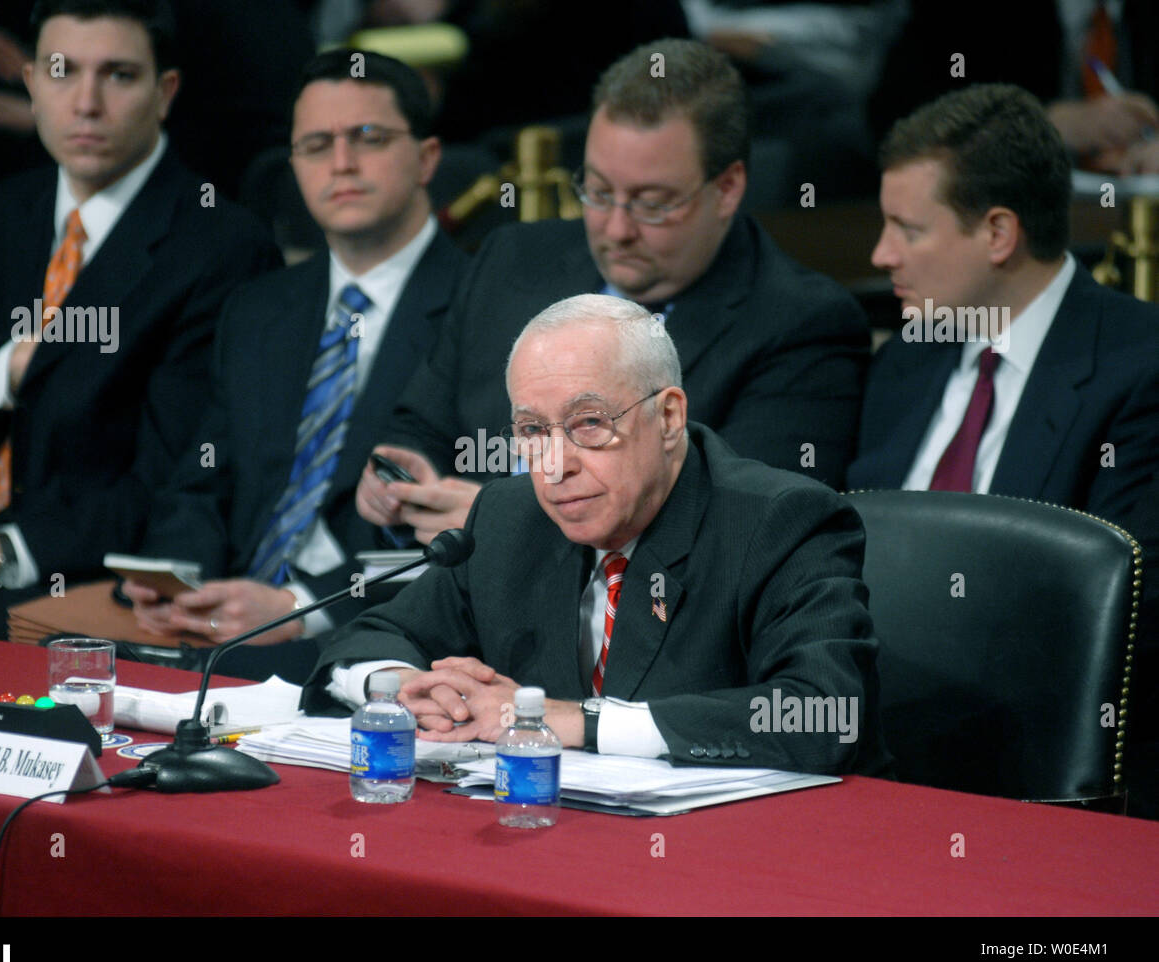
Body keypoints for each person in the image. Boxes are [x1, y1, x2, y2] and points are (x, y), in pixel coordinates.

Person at [305, 295, 891, 775]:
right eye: (532, 431)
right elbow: (375, 635)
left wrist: (570, 721)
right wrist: (407, 687)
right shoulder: (511, 516)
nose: (555, 465)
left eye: (589, 424)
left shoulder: (781, 521)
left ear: (668, 418)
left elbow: (822, 711)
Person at [0, 0, 282, 638]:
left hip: (87, 580)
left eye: (117, 75)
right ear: (31, 85)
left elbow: (183, 477)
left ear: (164, 92)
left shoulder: (221, 244)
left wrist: (8, 552)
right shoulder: (6, 213)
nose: (86, 102)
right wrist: (8, 367)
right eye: (61, 72)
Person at [355, 37, 870, 546]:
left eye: (653, 203)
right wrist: (403, 470)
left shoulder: (801, 324)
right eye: (599, 193)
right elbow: (422, 422)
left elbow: (744, 527)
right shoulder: (511, 261)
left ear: (728, 188)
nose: (616, 229)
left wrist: (502, 521)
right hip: (442, 591)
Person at [123, 50, 466, 656]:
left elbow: (471, 533)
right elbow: (202, 479)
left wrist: (301, 608)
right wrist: (180, 579)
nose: (341, 163)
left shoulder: (482, 308)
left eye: (368, 137)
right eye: (315, 145)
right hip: (222, 629)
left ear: (427, 158)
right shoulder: (258, 307)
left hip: (374, 642)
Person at [848, 83, 1159, 534]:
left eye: (908, 231)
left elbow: (1121, 591)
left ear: (998, 234)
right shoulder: (903, 359)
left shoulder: (1138, 370)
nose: (882, 255)